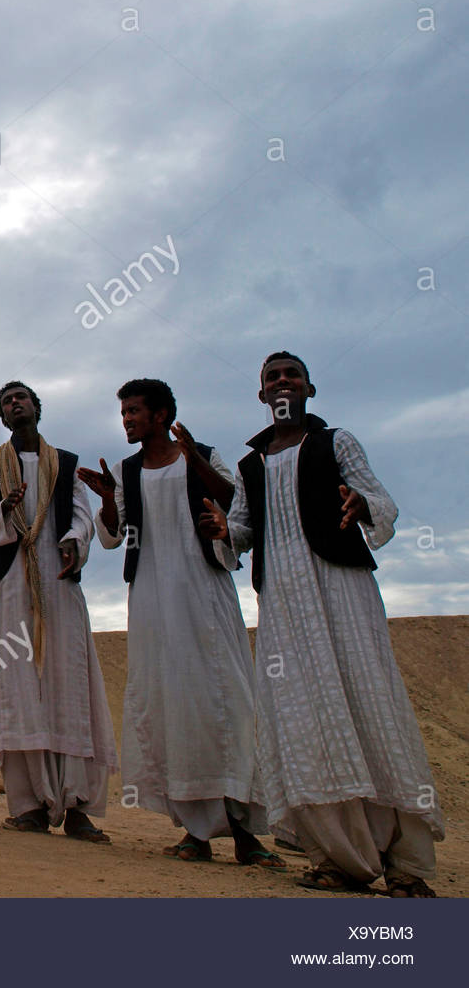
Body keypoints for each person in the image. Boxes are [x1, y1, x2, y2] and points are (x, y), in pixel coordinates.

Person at [199, 353, 442, 897]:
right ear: (262, 396)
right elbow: (239, 532)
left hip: (342, 592)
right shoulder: (250, 465)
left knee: (368, 701)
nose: (282, 382)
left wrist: (362, 503)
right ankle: (336, 858)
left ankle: (404, 863)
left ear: (309, 388)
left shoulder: (338, 442)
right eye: (271, 378)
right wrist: (222, 528)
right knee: (301, 717)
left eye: (291, 374)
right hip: (282, 605)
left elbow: (381, 498)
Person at [78, 378, 281, 867]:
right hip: (149, 598)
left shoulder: (204, 454)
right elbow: (112, 536)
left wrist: (195, 462)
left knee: (224, 701)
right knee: (169, 706)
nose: (127, 420)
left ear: (163, 414)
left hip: (204, 594)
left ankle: (246, 833)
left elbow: (240, 508)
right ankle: (194, 832)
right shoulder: (127, 470)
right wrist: (107, 499)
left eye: (134, 412)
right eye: (123, 413)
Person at [0, 381, 115, 841]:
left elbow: (81, 516)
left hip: (57, 582)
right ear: (0, 415)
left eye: (22, 397)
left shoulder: (67, 463)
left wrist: (74, 543)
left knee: (66, 684)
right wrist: (2, 511)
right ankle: (28, 805)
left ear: (38, 407)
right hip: (12, 583)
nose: (16, 404)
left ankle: (77, 806)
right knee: (17, 684)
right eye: (7, 401)